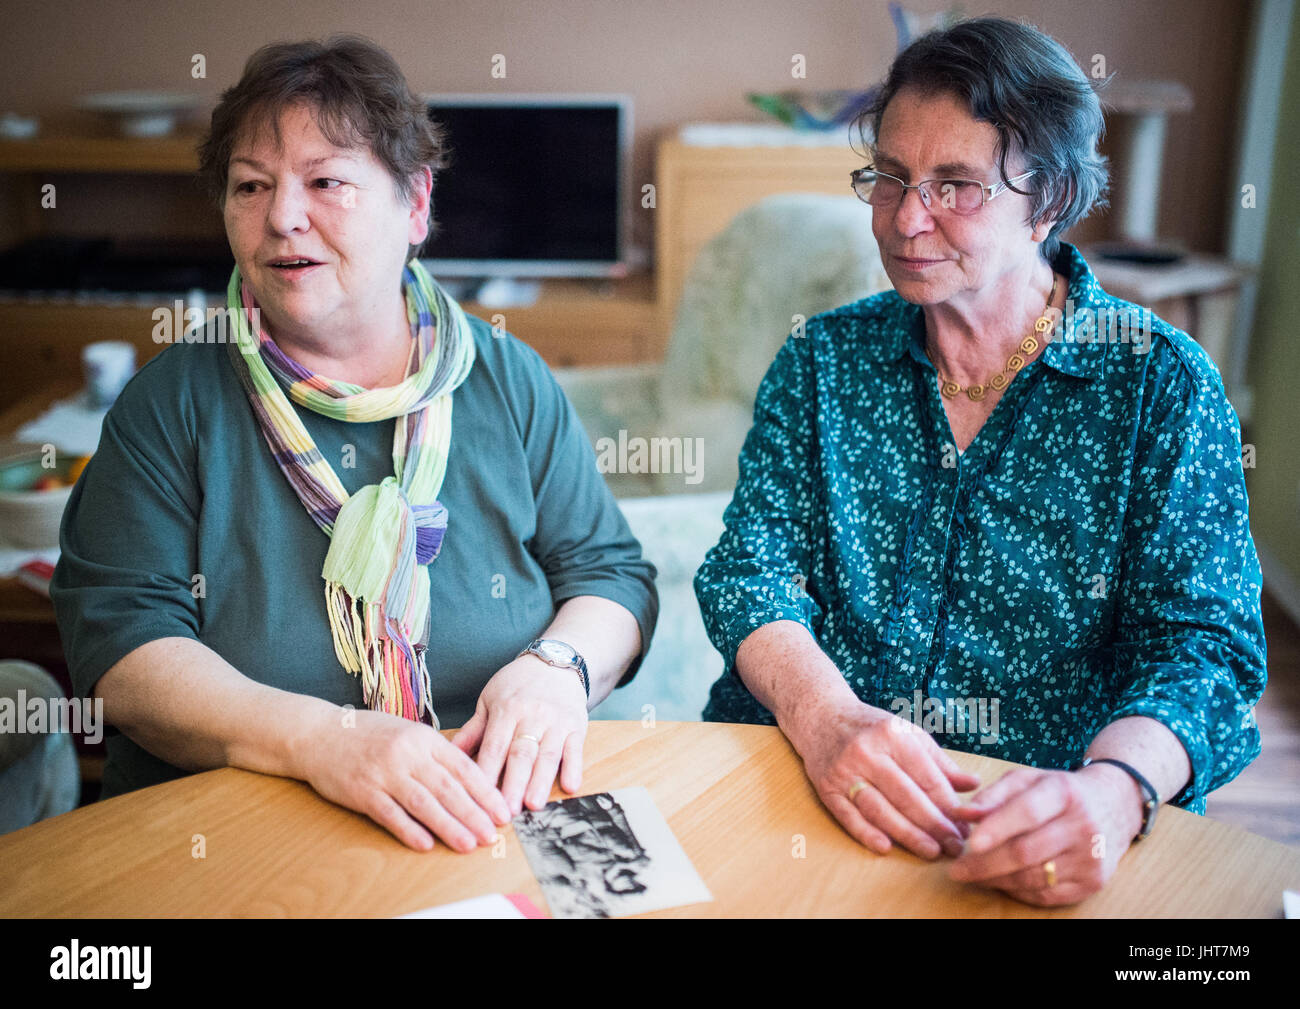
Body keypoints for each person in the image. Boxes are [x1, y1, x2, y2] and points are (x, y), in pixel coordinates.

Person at [694, 16, 1266, 906]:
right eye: (888, 177)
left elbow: (1208, 652)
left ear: (1050, 199)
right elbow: (747, 570)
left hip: (1016, 835)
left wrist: (1115, 793)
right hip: (797, 786)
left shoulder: (1159, 386)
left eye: (955, 185)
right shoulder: (822, 361)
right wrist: (825, 716)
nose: (905, 218)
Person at [50, 34, 657, 854]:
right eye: (250, 186)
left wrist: (558, 667)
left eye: (326, 181)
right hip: (235, 841)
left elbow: (612, 576)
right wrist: (322, 738)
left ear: (414, 205)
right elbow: (122, 647)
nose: (281, 217)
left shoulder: (506, 376)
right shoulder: (170, 403)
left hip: (488, 822)